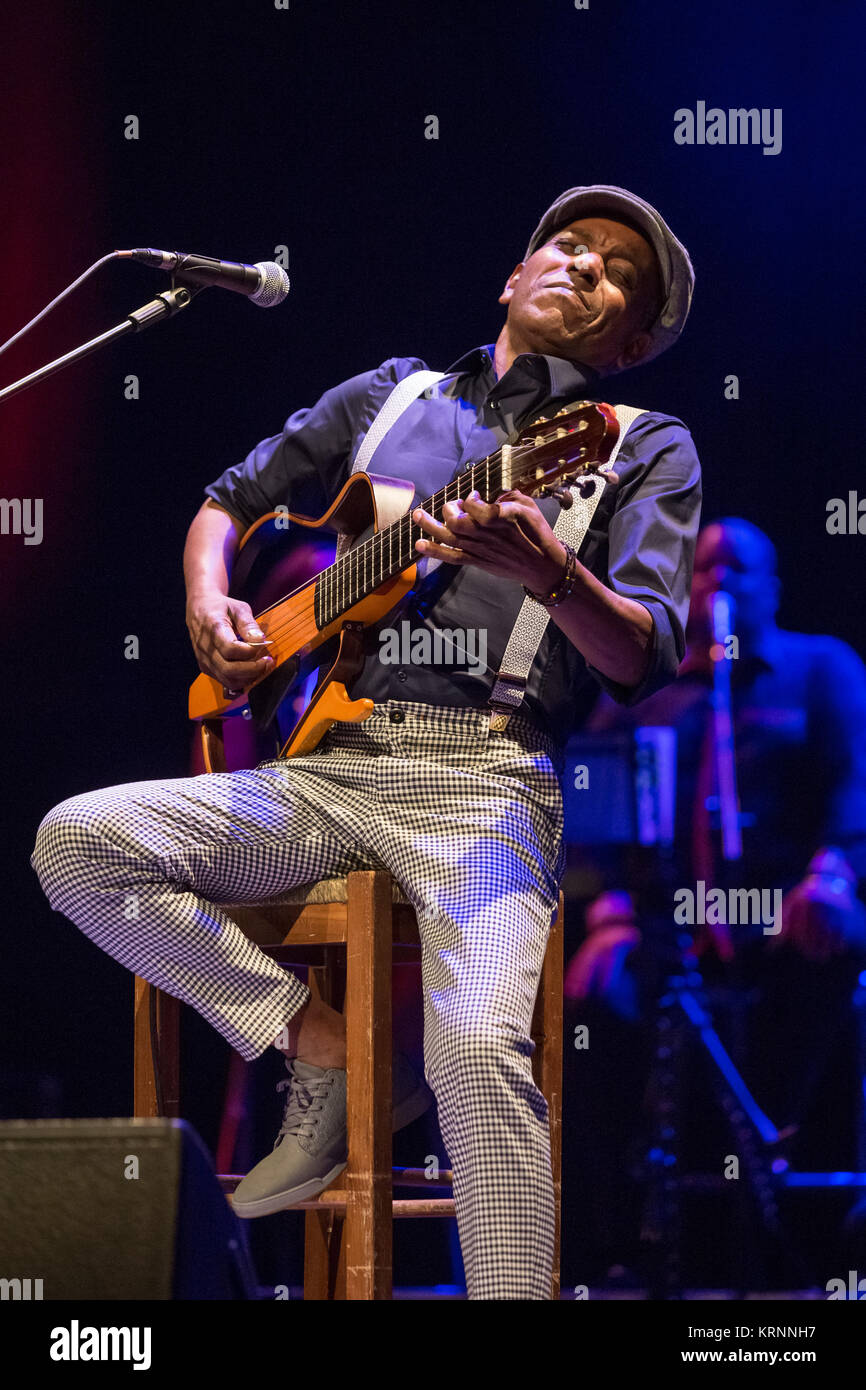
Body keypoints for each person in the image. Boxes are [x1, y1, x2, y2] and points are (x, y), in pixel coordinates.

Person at [30, 184, 700, 1300]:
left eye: (614, 270)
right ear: (509, 276)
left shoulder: (638, 445)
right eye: (566, 243)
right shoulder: (394, 397)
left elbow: (640, 654)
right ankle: (322, 1047)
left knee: (480, 1053)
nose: (581, 265)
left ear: (630, 342)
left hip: (485, 780)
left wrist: (552, 573)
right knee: (76, 843)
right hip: (327, 769)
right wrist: (211, 606)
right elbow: (225, 501)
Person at [564, 518, 866, 1283]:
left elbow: (853, 785)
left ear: (773, 587)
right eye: (702, 571)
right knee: (590, 996)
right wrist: (608, 914)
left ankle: (793, 1175)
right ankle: (614, 1239)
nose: (718, 585)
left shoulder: (821, 669)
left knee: (842, 949)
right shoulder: (649, 688)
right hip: (670, 937)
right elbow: (589, 808)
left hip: (787, 918)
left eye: (737, 571)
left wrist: (832, 874)